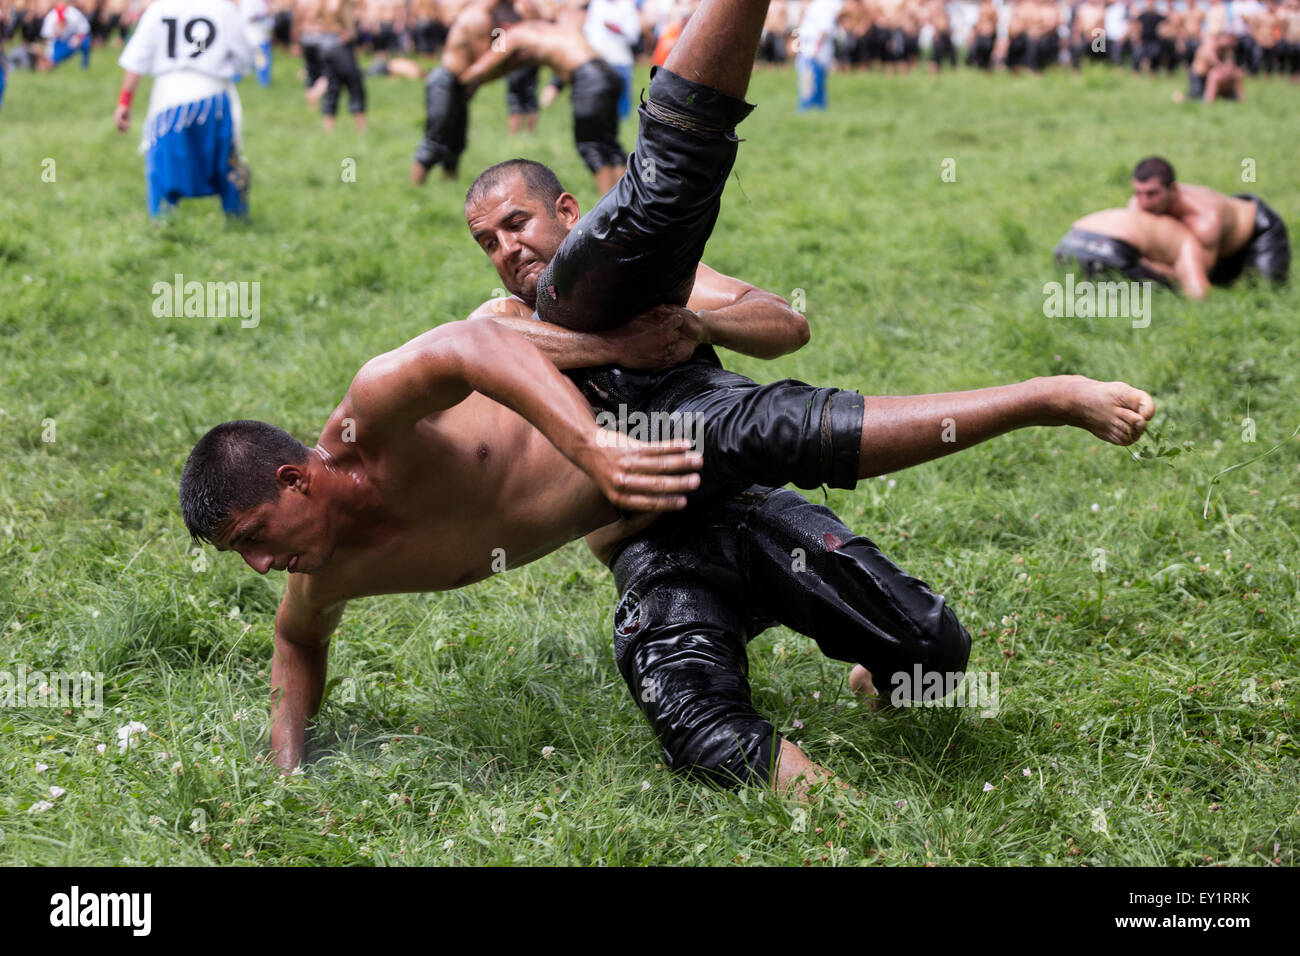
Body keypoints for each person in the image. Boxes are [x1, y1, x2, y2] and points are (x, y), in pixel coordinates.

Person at [113, 0, 253, 219]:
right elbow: (244, 57)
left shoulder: (159, 8)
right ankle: (236, 218)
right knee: (227, 163)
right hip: (213, 98)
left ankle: (162, 224)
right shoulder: (224, 8)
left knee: (163, 168)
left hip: (168, 102)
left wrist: (125, 101)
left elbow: (136, 59)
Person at [457, 17, 627, 193]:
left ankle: (610, 205)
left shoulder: (514, 35)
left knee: (590, 144)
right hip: (608, 73)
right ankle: (626, 200)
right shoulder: (552, 29)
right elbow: (506, 69)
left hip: (587, 79)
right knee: (609, 143)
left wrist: (459, 81)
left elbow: (484, 66)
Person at [1129, 155, 1290, 283]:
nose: (1143, 202)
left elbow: (1194, 274)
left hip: (1258, 231)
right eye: (1138, 192)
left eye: (1152, 194)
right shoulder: (1137, 205)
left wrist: (1144, 267)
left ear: (1173, 189)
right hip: (1222, 237)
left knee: (1267, 292)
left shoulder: (1203, 220)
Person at [1053, 205, 1210, 297]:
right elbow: (1197, 291)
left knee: (1091, 290)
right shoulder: (1188, 238)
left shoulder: (1136, 210)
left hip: (1068, 242)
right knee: (1168, 291)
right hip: (1111, 246)